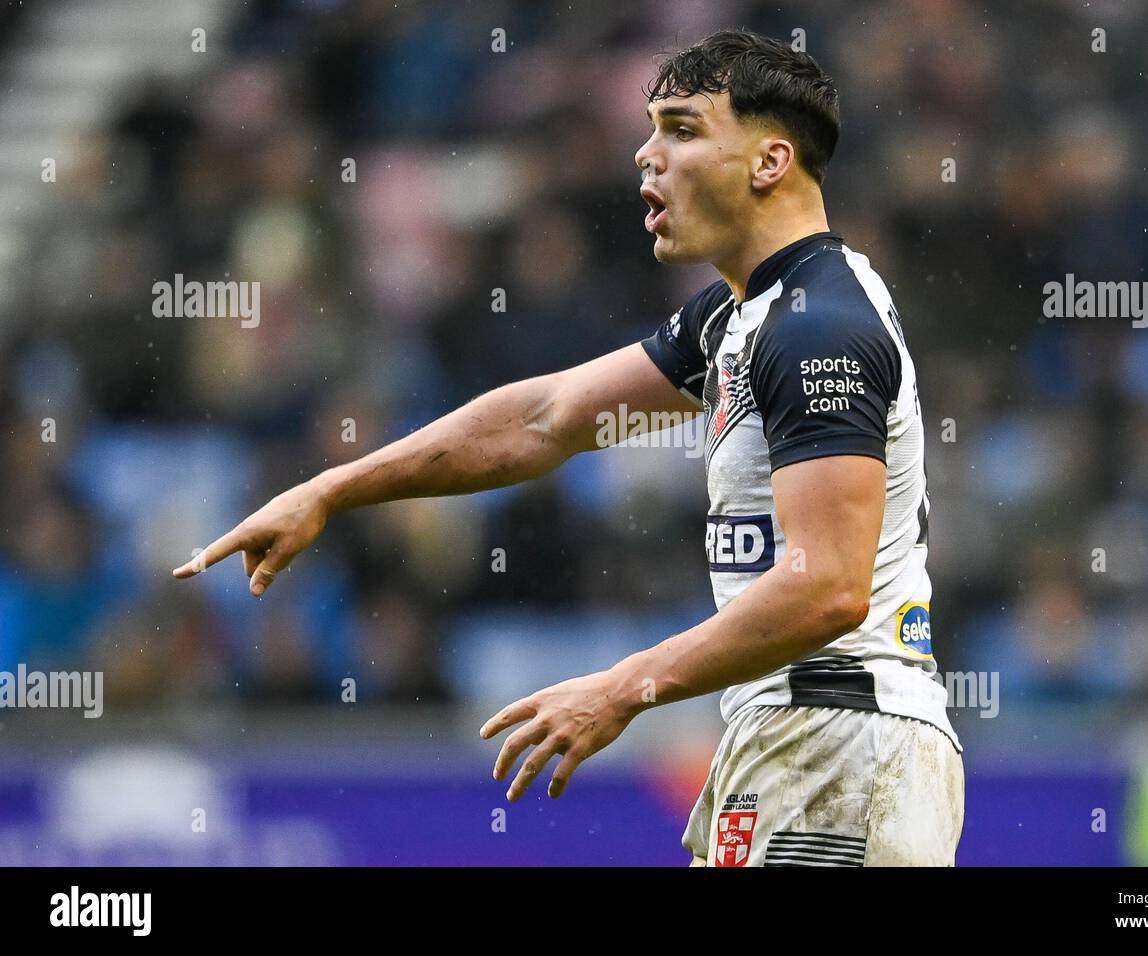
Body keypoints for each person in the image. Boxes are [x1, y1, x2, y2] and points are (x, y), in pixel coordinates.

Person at [173, 29, 964, 867]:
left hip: (837, 740)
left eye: (683, 129)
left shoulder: (820, 330)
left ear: (769, 162)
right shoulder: (740, 316)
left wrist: (624, 688)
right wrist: (334, 489)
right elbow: (546, 418)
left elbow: (829, 591)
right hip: (799, 737)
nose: (646, 154)